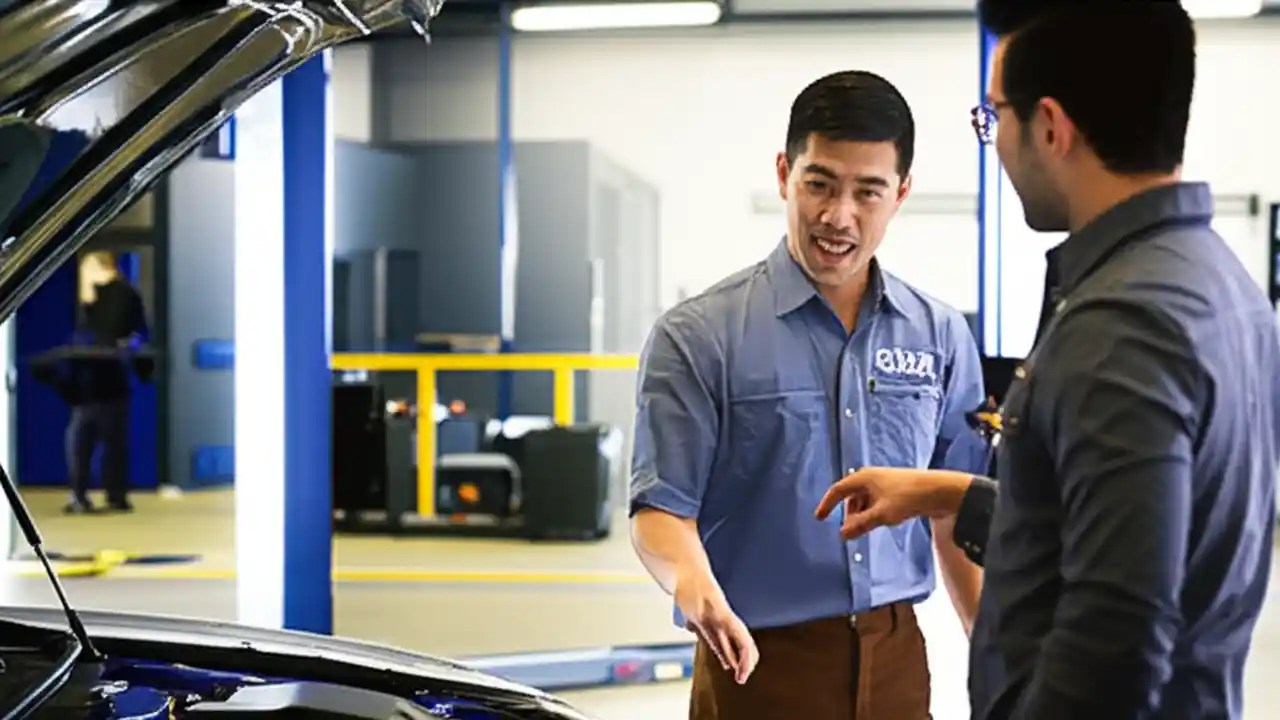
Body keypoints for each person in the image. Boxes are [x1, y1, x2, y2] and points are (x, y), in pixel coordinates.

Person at [817, 2, 1280, 719]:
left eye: (993, 115)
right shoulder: (1220, 285)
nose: (993, 140)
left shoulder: (1123, 327)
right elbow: (1125, 535)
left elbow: (1115, 643)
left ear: (1053, 128)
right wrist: (949, 494)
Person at [629, 70, 986, 720]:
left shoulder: (940, 336)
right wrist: (697, 589)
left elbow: (954, 512)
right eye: (818, 183)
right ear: (783, 174)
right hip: (754, 665)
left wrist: (992, 649)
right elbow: (660, 508)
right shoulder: (700, 335)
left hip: (899, 664)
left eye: (867, 191)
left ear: (901, 193)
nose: (837, 215)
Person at [37, 250, 150, 514]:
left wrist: (89, 299)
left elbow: (105, 333)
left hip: (102, 379)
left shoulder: (116, 295)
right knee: (98, 440)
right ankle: (105, 495)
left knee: (89, 440)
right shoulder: (102, 296)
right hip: (101, 381)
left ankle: (93, 494)